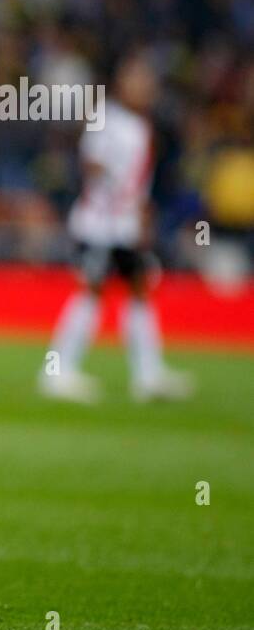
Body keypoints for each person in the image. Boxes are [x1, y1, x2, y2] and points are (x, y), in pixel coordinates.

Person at [40, 53, 194, 403]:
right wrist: (113, 196)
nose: (146, 86)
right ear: (122, 82)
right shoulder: (106, 117)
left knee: (138, 289)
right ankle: (57, 371)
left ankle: (148, 375)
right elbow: (91, 162)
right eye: (138, 78)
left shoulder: (141, 125)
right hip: (100, 225)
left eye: (148, 80)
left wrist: (139, 212)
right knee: (90, 291)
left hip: (123, 226)